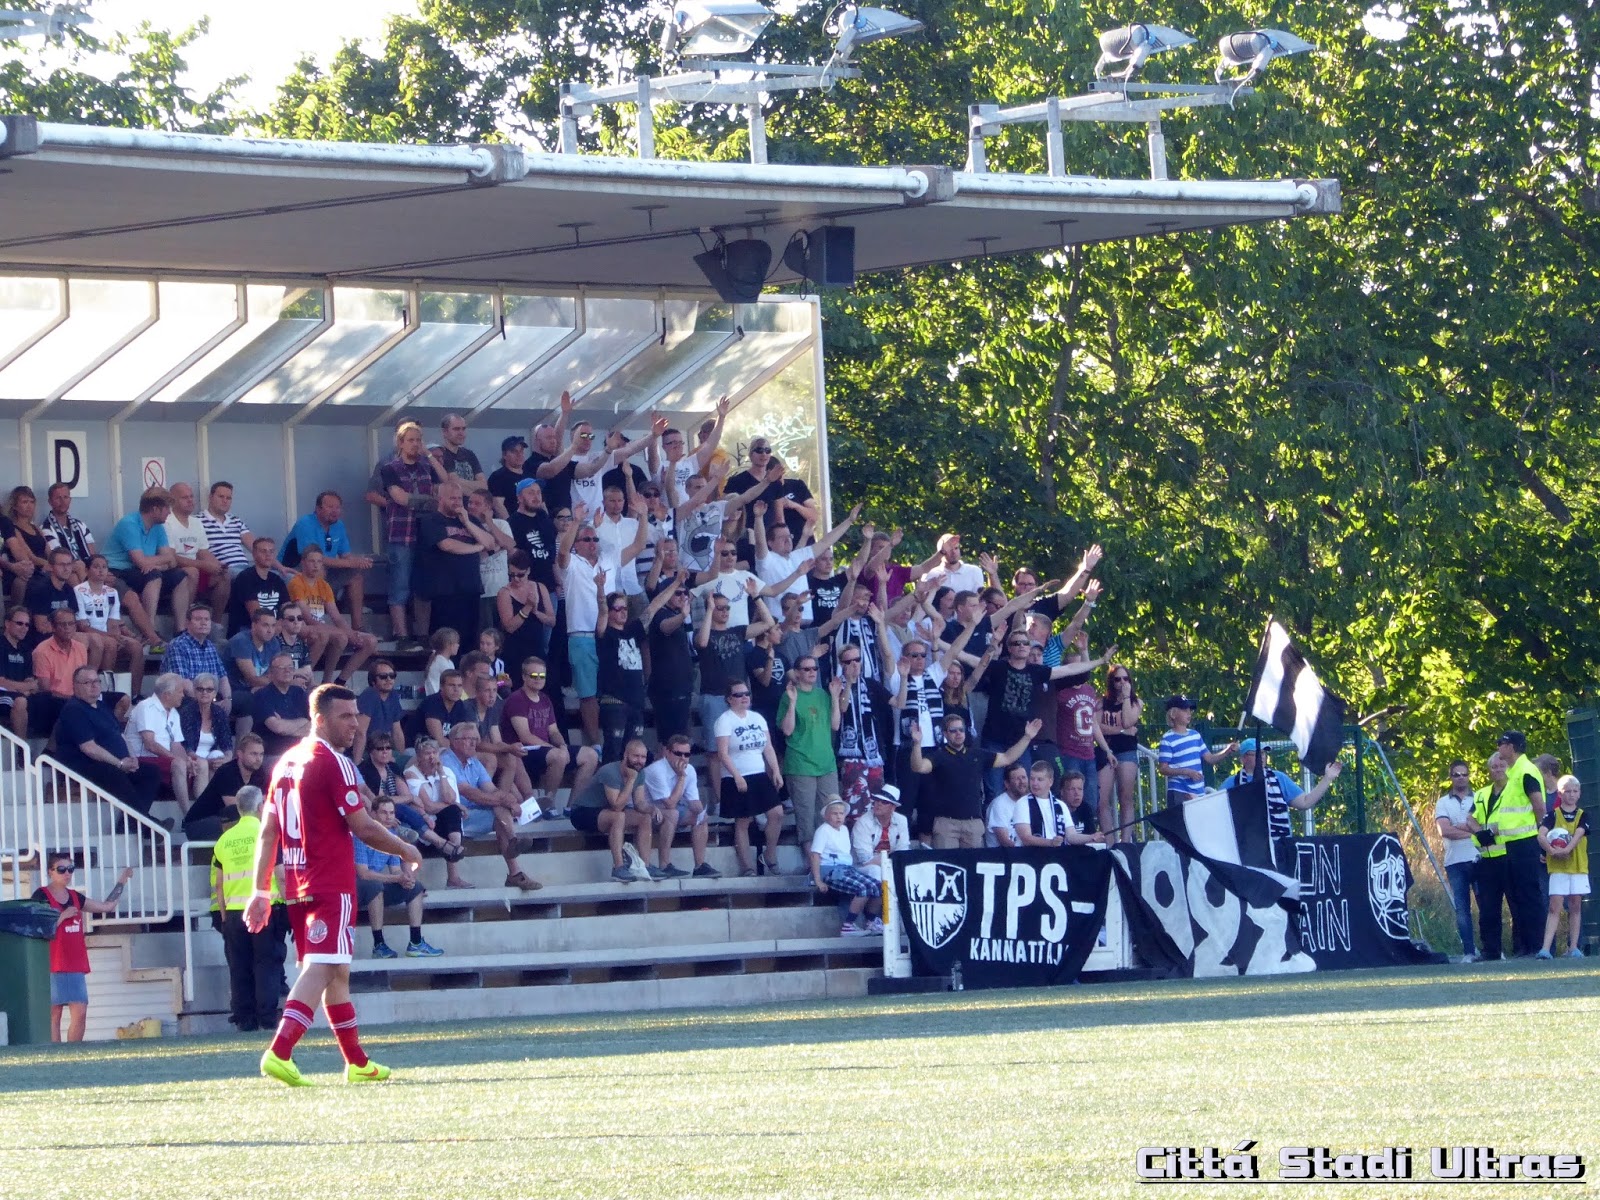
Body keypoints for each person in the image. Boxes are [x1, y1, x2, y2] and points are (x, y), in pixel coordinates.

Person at [247, 682, 423, 1085]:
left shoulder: (286, 763)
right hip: (329, 882)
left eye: (356, 716)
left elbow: (269, 832)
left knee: (337, 972)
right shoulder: (333, 762)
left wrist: (259, 891)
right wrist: (406, 850)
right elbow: (362, 826)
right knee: (324, 966)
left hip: (296, 883)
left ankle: (357, 1062)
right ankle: (281, 1050)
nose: (355, 726)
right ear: (319, 719)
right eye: (345, 717)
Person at [32, 854, 135, 1042]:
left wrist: (122, 880)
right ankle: (56, 1056)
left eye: (70, 869)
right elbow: (37, 928)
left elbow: (107, 906)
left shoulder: (75, 897)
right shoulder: (41, 896)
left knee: (80, 1012)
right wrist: (62, 916)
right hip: (52, 962)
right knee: (54, 1015)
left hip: (75, 962)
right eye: (61, 869)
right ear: (50, 872)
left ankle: (73, 1053)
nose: (67, 874)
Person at [210, 786, 287, 1031]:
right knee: (267, 963)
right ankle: (267, 1018)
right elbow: (281, 876)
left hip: (233, 913)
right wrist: (288, 907)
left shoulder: (224, 840)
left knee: (239, 966)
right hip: (266, 908)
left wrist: (224, 917)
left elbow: (219, 885)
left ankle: (244, 1019)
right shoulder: (269, 833)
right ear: (260, 806)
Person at [909, 714, 1041, 849]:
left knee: (974, 868)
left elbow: (1007, 758)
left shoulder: (977, 754)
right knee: (947, 867)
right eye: (953, 731)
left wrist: (1027, 737)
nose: (958, 733)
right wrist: (917, 744)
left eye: (961, 729)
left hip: (973, 824)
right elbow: (918, 767)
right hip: (946, 824)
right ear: (945, 734)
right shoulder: (939, 755)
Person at [440, 722, 543, 892]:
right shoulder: (446, 761)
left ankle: (513, 850)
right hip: (453, 818)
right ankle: (514, 867)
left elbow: (491, 789)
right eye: (468, 739)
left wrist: (509, 800)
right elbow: (470, 793)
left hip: (473, 814)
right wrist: (504, 801)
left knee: (500, 811)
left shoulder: (473, 761)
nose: (474, 743)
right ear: (455, 741)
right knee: (499, 809)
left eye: (475, 739)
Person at [597, 580, 676, 763]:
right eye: (617, 609)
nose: (623, 612)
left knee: (635, 756)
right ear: (609, 612)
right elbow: (601, 609)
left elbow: (654, 606)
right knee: (614, 753)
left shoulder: (634, 630)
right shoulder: (605, 634)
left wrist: (678, 582)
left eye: (625, 608)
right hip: (614, 701)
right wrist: (601, 589)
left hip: (636, 702)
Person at [357, 796, 444, 959]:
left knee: (415, 887)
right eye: (383, 813)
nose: (389, 817)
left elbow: (395, 869)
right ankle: (379, 945)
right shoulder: (361, 835)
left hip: (375, 884)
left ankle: (416, 943)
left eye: (391, 813)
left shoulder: (392, 837)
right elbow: (363, 873)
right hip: (353, 887)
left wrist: (405, 877)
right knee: (374, 886)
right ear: (373, 814)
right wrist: (396, 879)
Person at [716, 680, 785, 877]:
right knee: (743, 821)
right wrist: (737, 776)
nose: (744, 697)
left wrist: (776, 771)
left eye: (746, 693)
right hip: (736, 775)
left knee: (777, 813)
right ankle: (747, 866)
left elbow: (768, 747)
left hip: (759, 773)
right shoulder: (725, 720)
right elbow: (722, 753)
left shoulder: (757, 718)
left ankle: (769, 855)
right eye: (738, 694)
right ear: (729, 699)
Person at [418, 478, 498, 646]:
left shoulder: (470, 521)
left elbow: (491, 543)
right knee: (446, 644)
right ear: (440, 499)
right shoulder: (430, 520)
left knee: (469, 644)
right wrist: (477, 548)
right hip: (444, 592)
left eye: (460, 498)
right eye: (452, 498)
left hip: (471, 590)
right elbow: (447, 545)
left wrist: (467, 522)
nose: (457, 502)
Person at [572, 737, 664, 882]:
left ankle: (645, 865)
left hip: (606, 811)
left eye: (643, 757)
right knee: (618, 816)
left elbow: (639, 802)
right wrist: (631, 780)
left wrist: (652, 809)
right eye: (636, 756)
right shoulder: (610, 771)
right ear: (626, 755)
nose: (639, 760)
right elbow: (617, 805)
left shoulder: (640, 773)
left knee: (645, 818)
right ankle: (619, 867)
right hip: (583, 812)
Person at [380, 421, 437, 650]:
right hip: (401, 534)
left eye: (418, 440)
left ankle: (423, 635)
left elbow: (446, 486)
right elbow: (401, 498)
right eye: (411, 440)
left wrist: (431, 457)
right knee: (400, 586)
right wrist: (430, 502)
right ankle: (401, 634)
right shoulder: (390, 468)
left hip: (426, 535)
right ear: (401, 443)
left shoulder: (427, 467)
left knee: (423, 587)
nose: (415, 444)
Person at [1490, 730, 1549, 954]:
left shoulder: (1525, 771)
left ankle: (1537, 945)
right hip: (1513, 842)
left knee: (1529, 894)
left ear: (1512, 747)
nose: (1498, 746)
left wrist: (1539, 836)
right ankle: (1525, 945)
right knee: (1518, 896)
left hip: (1526, 842)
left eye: (1501, 743)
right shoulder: (1514, 772)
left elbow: (1539, 806)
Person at [104, 488, 194, 633]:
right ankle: (150, 629)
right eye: (167, 509)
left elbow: (172, 561)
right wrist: (159, 562)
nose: (169, 513)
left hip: (142, 571)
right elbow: (140, 562)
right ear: (155, 509)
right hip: (118, 571)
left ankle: (180, 629)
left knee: (180, 576)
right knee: (153, 576)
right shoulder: (129, 523)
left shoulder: (158, 527)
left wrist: (156, 564)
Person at [284, 490, 373, 633]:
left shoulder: (339, 526)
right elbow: (313, 559)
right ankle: (317, 622)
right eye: (330, 507)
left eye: (338, 507)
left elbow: (346, 556)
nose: (335, 511)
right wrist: (351, 563)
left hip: (323, 571)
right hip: (294, 572)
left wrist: (359, 562)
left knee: (355, 575)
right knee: (318, 568)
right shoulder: (305, 523)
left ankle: (357, 627)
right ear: (318, 508)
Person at [1223, 738, 1343, 841]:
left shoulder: (1278, 778)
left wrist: (1327, 778)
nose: (1262, 757)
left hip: (1280, 847)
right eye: (1256, 753)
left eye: (1264, 753)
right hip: (1246, 849)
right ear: (1243, 759)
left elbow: (1305, 802)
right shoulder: (1232, 782)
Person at [778, 654, 840, 850]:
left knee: (831, 813)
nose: (812, 672)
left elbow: (835, 725)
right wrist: (793, 703)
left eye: (814, 668)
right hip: (800, 763)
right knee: (806, 817)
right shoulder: (788, 695)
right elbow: (787, 730)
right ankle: (813, 868)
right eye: (806, 669)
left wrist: (836, 699)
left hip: (826, 763)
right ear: (797, 673)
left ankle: (829, 862)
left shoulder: (823, 694)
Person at [289, 547, 376, 685]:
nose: (316, 565)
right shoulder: (296, 582)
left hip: (324, 629)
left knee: (370, 641)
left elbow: (336, 617)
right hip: (303, 629)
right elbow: (307, 617)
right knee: (339, 637)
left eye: (319, 561)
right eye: (312, 561)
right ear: (303, 563)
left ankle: (337, 682)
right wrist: (343, 632)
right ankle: (305, 680)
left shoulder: (324, 585)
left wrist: (351, 633)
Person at [639, 734, 716, 878]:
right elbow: (670, 804)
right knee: (672, 813)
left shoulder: (690, 770)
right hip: (644, 811)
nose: (683, 758)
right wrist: (681, 777)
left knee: (700, 817)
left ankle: (700, 865)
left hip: (666, 812)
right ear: (667, 753)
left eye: (686, 754)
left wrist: (701, 813)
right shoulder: (657, 770)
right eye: (678, 753)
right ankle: (665, 864)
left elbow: (694, 802)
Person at [74, 554, 146, 696]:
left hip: (108, 634)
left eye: (104, 567)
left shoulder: (112, 592)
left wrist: (117, 636)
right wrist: (112, 636)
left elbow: (113, 621)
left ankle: (134, 694)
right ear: (87, 570)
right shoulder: (79, 590)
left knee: (136, 647)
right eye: (96, 567)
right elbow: (82, 626)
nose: (101, 570)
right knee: (111, 643)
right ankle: (106, 692)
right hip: (89, 634)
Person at [125, 673, 194, 813]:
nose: (183, 696)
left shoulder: (174, 712)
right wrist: (177, 759)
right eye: (180, 692)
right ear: (167, 694)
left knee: (201, 765)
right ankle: (188, 816)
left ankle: (200, 812)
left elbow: (176, 744)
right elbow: (150, 744)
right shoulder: (146, 707)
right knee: (179, 763)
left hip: (162, 760)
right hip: (140, 760)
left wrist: (188, 760)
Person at [810, 797, 879, 936]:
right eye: (835, 813)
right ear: (827, 815)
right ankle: (848, 926)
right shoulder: (823, 830)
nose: (839, 816)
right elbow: (815, 855)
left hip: (847, 869)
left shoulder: (845, 830)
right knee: (863, 888)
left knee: (877, 886)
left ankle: (871, 922)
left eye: (841, 813)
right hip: (831, 870)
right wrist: (818, 880)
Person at [1536, 774, 1588, 959]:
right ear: (1560, 793)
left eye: (1575, 791)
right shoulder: (1551, 815)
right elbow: (1541, 835)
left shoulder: (1583, 815)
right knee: (1554, 906)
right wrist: (1550, 850)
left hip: (1578, 867)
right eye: (1567, 791)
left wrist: (1565, 849)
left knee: (1575, 905)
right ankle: (1545, 948)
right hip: (1558, 868)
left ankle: (1573, 947)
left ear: (1579, 793)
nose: (1571, 795)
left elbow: (1578, 835)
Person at [1435, 759, 1482, 962]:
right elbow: (1444, 830)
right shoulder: (1443, 802)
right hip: (1455, 862)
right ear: (1451, 777)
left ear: (1469, 775)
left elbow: (1486, 826)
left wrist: (1462, 827)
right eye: (1456, 774)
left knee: (1486, 906)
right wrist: (1472, 831)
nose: (1461, 778)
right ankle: (1469, 952)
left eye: (1464, 774)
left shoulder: (1480, 798)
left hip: (1479, 859)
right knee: (1462, 910)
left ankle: (1492, 949)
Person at [165, 481, 231, 619]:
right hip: (174, 570)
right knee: (192, 572)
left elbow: (203, 552)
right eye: (185, 498)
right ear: (172, 500)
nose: (190, 501)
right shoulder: (167, 522)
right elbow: (171, 557)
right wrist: (202, 565)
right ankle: (185, 621)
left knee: (223, 576)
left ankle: (216, 625)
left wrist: (217, 566)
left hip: (195, 567)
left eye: (191, 496)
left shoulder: (196, 522)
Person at [1157, 696, 1237, 808]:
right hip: (1179, 792)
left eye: (1189, 710)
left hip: (1198, 791)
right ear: (1173, 714)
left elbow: (1209, 758)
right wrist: (1186, 772)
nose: (1188, 713)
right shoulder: (1167, 739)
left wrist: (1227, 751)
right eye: (1184, 710)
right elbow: (1163, 768)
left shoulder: (1195, 735)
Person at [185, 733, 267, 842]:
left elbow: (266, 802)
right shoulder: (227, 772)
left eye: (261, 754)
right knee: (238, 816)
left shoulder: (259, 772)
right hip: (198, 824)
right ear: (240, 754)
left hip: (222, 820)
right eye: (253, 754)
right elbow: (237, 808)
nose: (258, 759)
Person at [1098, 663, 1144, 839]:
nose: (1122, 682)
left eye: (1126, 679)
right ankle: (1109, 841)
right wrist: (1121, 731)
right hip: (1106, 750)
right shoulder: (1101, 702)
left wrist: (1125, 698)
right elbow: (1097, 727)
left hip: (1126, 751)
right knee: (1102, 800)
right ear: (1111, 681)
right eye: (1117, 679)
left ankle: (1125, 841)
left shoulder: (1136, 702)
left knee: (1125, 797)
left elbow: (1128, 721)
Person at [495, 548, 556, 678]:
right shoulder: (504, 592)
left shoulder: (540, 587)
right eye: (512, 575)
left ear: (528, 571)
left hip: (536, 650)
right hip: (514, 651)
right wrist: (527, 607)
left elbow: (552, 621)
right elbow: (509, 627)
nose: (516, 579)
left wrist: (537, 613)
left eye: (520, 575)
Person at [31, 605, 88, 732]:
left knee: (122, 700)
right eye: (62, 624)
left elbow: (84, 679)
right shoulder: (41, 651)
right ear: (53, 627)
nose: (67, 628)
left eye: (71, 624)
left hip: (79, 699)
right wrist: (75, 700)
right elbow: (45, 689)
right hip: (55, 702)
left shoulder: (81, 647)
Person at [254, 654, 311, 761]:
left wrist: (287, 727)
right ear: (271, 673)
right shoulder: (262, 695)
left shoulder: (300, 692)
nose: (287, 671)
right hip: (274, 756)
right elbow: (278, 728)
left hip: (302, 753)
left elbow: (314, 727)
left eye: (290, 667)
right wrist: (303, 722)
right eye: (282, 668)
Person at [850, 784, 910, 884]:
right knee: (876, 871)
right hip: (861, 868)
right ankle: (883, 899)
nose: (878, 804)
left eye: (884, 802)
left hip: (889, 864)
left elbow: (903, 851)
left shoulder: (902, 820)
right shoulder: (863, 822)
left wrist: (894, 860)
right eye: (877, 800)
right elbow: (865, 860)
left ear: (893, 807)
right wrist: (893, 859)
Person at [41, 481, 98, 583]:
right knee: (74, 576)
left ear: (70, 500)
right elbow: (58, 557)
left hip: (85, 567)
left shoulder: (81, 525)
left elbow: (92, 554)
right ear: (50, 502)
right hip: (66, 568)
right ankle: (91, 595)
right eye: (58, 498)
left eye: (66, 497)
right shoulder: (46, 529)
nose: (62, 501)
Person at [354, 658, 405, 764]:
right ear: (373, 681)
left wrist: (400, 759)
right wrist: (357, 764)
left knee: (416, 759)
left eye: (392, 676)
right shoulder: (369, 695)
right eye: (383, 677)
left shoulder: (393, 695)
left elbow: (397, 732)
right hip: (369, 752)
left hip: (385, 750)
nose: (389, 679)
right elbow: (360, 733)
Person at [0, 605, 40, 737]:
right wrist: (26, 687)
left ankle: (50, 752)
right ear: (7, 623)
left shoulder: (25, 649)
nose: (24, 628)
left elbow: (31, 681)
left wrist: (27, 687)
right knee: (20, 701)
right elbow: (2, 682)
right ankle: (22, 751)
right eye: (19, 623)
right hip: (3, 694)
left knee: (52, 701)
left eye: (27, 625)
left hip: (19, 693)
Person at [986, 763, 1029, 848]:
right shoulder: (998, 804)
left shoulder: (1029, 801)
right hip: (1002, 856)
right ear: (1007, 784)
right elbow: (1005, 842)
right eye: (1017, 779)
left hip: (1024, 853)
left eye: (1023, 777)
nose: (1022, 782)